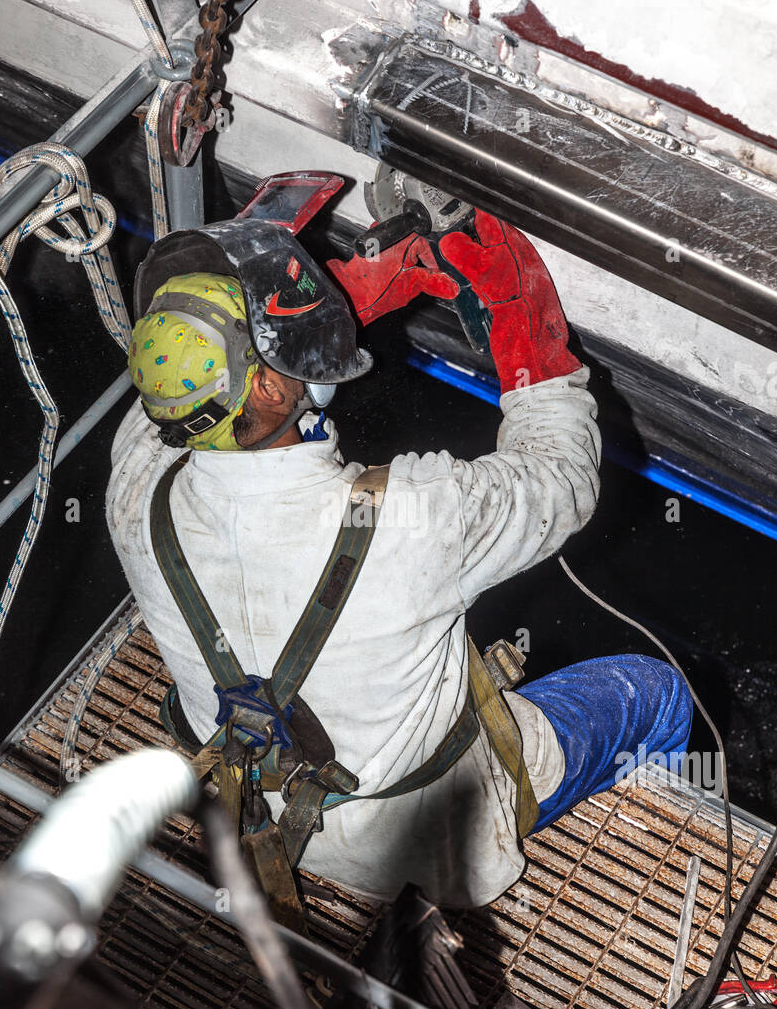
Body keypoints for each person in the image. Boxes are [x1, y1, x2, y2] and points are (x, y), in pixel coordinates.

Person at [106, 204, 692, 908]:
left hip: (247, 810)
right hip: (419, 846)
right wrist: (523, 330)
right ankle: (640, 833)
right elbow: (560, 478)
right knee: (653, 691)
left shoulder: (137, 489)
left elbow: (174, 392)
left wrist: (328, 310)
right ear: (265, 386)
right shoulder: (408, 517)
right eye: (285, 341)